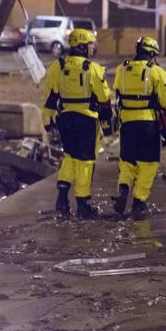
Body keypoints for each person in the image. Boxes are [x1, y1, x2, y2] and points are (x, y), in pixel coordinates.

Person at [41, 28, 113, 219]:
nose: (93, 49)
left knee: (69, 157)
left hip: (65, 119)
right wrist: (108, 123)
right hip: (86, 120)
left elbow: (50, 96)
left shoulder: (58, 66)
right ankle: (83, 204)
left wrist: (48, 121)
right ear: (82, 46)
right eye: (90, 45)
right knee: (85, 162)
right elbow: (104, 96)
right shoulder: (93, 68)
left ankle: (62, 199)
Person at [111, 36, 166, 220]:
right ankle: (139, 202)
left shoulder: (121, 68)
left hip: (127, 123)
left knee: (127, 161)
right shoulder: (157, 72)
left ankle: (123, 190)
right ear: (152, 53)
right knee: (148, 163)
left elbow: (117, 94)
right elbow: (164, 102)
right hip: (148, 124)